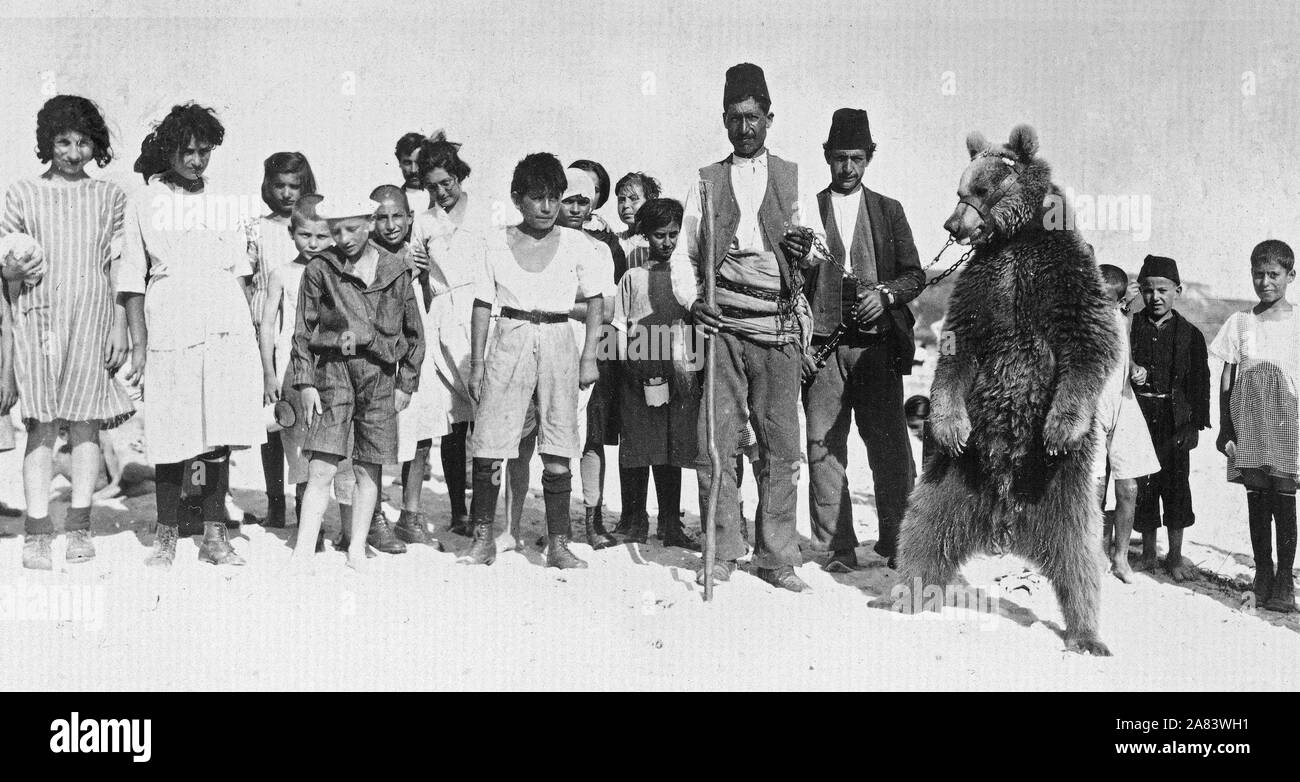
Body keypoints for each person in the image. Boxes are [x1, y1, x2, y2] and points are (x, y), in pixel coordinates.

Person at [669, 63, 828, 591]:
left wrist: (809, 250)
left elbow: (821, 245)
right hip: (723, 328)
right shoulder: (705, 181)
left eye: (753, 117)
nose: (744, 128)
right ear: (723, 120)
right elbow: (682, 257)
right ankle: (721, 550)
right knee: (716, 442)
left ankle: (778, 556)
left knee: (781, 445)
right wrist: (695, 305)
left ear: (769, 118)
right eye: (735, 119)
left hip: (778, 330)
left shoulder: (792, 176)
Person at [121, 102, 266, 569]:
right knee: (173, 429)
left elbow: (241, 272)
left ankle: (213, 532)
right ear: (170, 150)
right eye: (188, 151)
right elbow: (131, 279)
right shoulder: (146, 199)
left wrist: (247, 335)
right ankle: (166, 532)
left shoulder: (225, 199)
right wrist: (139, 344)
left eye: (205, 152)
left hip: (224, 320)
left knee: (216, 431)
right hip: (171, 318)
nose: (197, 161)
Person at [0, 96, 136, 569]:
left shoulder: (111, 197)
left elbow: (120, 268)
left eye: (84, 142)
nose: (74, 153)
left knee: (85, 426)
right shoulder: (20, 194)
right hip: (37, 320)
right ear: (47, 143)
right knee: (39, 426)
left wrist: (120, 324)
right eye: (64, 141)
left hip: (94, 318)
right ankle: (37, 530)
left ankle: (79, 524)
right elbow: (8, 271)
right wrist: (15, 271)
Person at [458, 153, 604, 569]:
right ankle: (483, 538)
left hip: (559, 341)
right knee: (489, 443)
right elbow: (483, 304)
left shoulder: (577, 243)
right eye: (536, 198)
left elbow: (596, 300)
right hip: (510, 339)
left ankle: (558, 543)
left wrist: (589, 355)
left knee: (558, 444)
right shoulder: (495, 241)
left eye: (554, 198)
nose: (546, 207)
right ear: (517, 198)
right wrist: (478, 364)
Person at [800, 107, 924, 572]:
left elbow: (915, 275)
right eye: (838, 158)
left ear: (870, 157)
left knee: (889, 445)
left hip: (876, 349)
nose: (847, 168)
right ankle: (839, 548)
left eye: (856, 157)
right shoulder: (806, 210)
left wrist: (887, 295)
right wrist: (800, 344)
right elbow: (788, 283)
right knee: (821, 447)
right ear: (826, 157)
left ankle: (898, 541)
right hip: (822, 347)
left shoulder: (890, 211)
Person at [287, 191, 424, 571]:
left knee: (369, 467)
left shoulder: (396, 269)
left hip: (380, 376)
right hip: (333, 372)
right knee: (322, 467)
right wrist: (306, 382)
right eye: (336, 230)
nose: (343, 238)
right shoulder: (320, 269)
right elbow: (302, 330)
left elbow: (415, 333)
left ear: (369, 222)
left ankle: (356, 550)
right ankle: (301, 553)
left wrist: (405, 383)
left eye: (351, 228)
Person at [259, 194, 355, 551]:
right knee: (299, 449)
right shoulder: (281, 273)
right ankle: (308, 531)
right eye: (305, 236)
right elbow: (267, 325)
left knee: (342, 450)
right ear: (291, 232)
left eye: (321, 236)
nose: (313, 244)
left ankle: (348, 531)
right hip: (291, 370)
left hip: (334, 371)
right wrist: (269, 373)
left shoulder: (340, 271)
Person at [1210, 240, 1299, 612]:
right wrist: (1225, 427)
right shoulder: (1240, 322)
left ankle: (1284, 582)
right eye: (1258, 274)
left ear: (1290, 276)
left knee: (1284, 498)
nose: (1265, 282)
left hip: (1288, 422)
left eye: (1273, 275)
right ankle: (1262, 574)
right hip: (1249, 423)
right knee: (1257, 498)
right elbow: (1227, 379)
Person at [612, 197, 701, 549]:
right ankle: (634, 520)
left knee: (671, 446)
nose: (667, 242)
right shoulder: (633, 277)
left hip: (677, 366)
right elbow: (620, 325)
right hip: (638, 365)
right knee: (635, 446)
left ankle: (670, 523)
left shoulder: (686, 276)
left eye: (673, 234)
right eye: (659, 235)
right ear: (646, 235)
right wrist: (625, 366)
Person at [409, 137, 484, 536]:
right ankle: (459, 511)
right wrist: (418, 267)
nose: (442, 191)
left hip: (480, 313)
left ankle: (485, 513)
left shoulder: (485, 212)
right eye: (433, 185)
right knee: (454, 422)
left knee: (485, 415)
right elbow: (418, 277)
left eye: (447, 182)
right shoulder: (423, 222)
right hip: (442, 316)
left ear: (458, 174)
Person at [247, 151, 317, 529]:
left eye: (296, 186)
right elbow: (247, 277)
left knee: (303, 421)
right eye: (280, 186)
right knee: (271, 422)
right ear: (267, 187)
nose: (288, 194)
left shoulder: (313, 227)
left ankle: (306, 503)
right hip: (264, 331)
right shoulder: (257, 228)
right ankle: (276, 503)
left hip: (300, 331)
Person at [1129, 254, 1210, 581]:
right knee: (1144, 485)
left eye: (1162, 290)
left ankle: (1174, 556)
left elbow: (1200, 384)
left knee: (1176, 487)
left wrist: (1195, 424)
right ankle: (1148, 553)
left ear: (1178, 290)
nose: (1155, 297)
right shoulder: (1131, 326)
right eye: (1147, 290)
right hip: (1139, 417)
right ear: (1140, 292)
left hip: (1175, 421)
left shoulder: (1190, 334)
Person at [372, 184, 442, 548]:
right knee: (374, 436)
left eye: (397, 215)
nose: (390, 224)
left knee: (420, 433)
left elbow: (425, 303)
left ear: (410, 218)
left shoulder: (416, 254)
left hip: (416, 352)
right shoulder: (367, 257)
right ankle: (373, 516)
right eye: (381, 217)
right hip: (383, 357)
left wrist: (424, 275)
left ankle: (410, 513)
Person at [555, 164, 621, 549]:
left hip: (592, 348)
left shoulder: (600, 248)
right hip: (552, 343)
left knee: (592, 436)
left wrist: (562, 304)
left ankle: (593, 520)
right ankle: (556, 521)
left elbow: (609, 309)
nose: (577, 209)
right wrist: (582, 303)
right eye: (570, 201)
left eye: (584, 201)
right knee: (550, 433)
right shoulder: (544, 244)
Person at [1093, 263, 1160, 584]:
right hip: (1093, 405)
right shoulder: (1086, 319)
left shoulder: (1123, 317)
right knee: (1094, 487)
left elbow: (1124, 353)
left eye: (1112, 299)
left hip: (1123, 401)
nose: (1106, 304)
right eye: (1100, 298)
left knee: (1129, 486)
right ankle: (1093, 551)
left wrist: (1136, 368)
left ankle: (1120, 556)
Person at [614, 171, 662, 267]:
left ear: (650, 201)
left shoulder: (663, 240)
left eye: (634, 198)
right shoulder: (615, 240)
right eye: (621, 200)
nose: (626, 205)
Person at [394, 131, 430, 212]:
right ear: (400, 163)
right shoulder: (392, 201)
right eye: (407, 163)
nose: (414, 170)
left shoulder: (442, 197)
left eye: (419, 162)